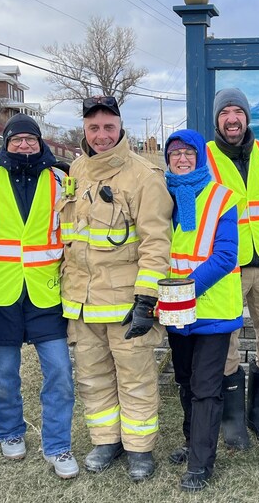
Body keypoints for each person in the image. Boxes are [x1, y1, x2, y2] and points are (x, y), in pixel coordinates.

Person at [58, 95, 173, 481]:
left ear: (121, 127)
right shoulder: (77, 170)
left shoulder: (145, 176)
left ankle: (139, 447)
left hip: (125, 303)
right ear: (84, 129)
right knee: (93, 377)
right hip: (82, 301)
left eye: (109, 127)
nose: (101, 135)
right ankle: (107, 440)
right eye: (93, 128)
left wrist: (146, 299)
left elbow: (156, 243)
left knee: (135, 377)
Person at [0, 114, 77, 479]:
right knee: (3, 374)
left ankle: (58, 445)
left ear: (40, 141)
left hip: (46, 292)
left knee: (60, 371)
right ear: (5, 143)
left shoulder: (62, 179)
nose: (24, 144)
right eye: (16, 139)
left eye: (30, 138)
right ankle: (10, 431)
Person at [206, 88, 259, 449]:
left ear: (247, 117)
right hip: (226, 267)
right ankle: (233, 419)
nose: (232, 118)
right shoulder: (204, 157)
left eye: (238, 111)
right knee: (227, 345)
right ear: (217, 119)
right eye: (225, 112)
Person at [161, 129, 242, 492]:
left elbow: (225, 256)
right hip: (176, 312)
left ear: (200, 157)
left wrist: (184, 289)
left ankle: (201, 462)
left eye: (188, 153)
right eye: (175, 153)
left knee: (206, 387)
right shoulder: (162, 198)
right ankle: (191, 440)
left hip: (212, 310)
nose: (182, 159)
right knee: (185, 380)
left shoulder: (222, 197)